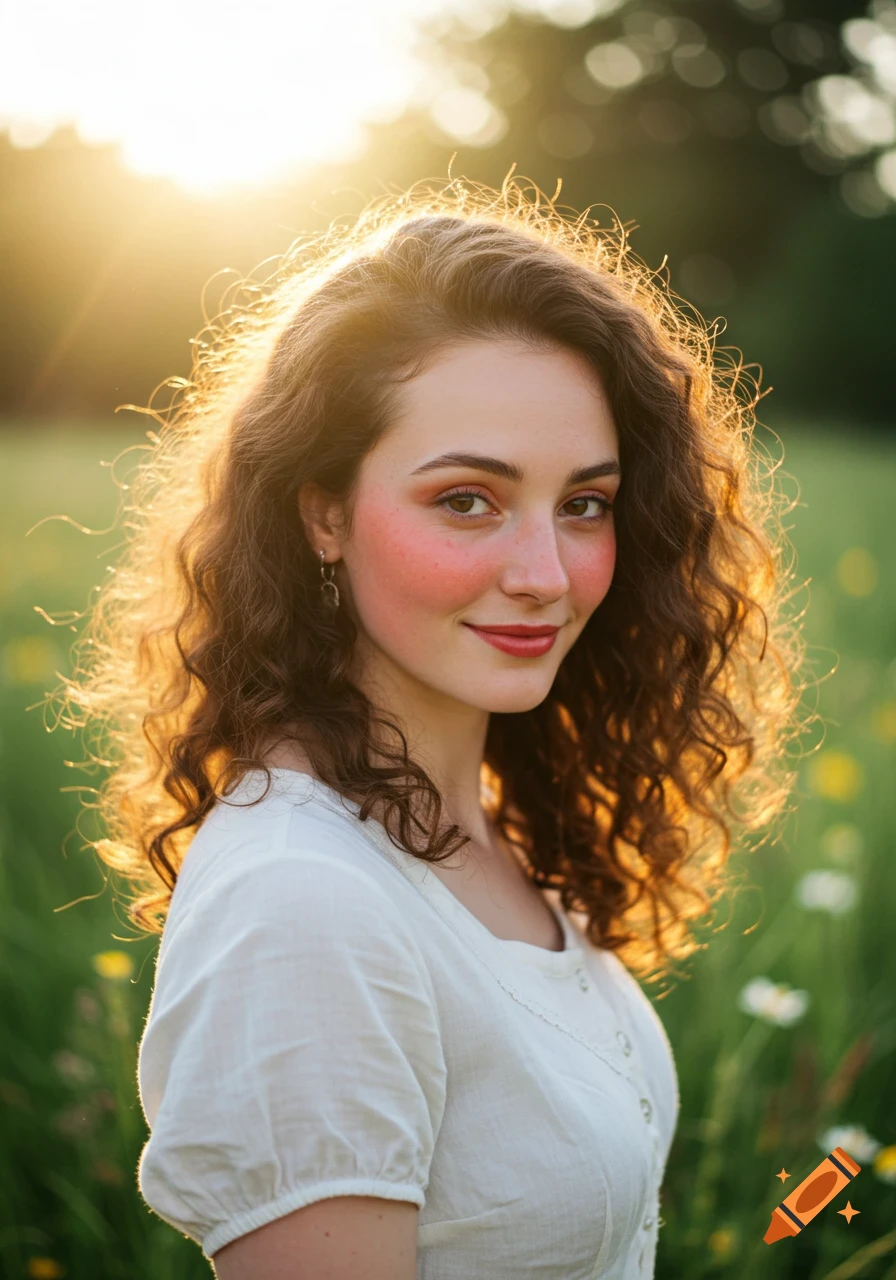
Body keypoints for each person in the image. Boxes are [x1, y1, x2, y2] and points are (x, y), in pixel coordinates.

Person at [60, 180, 807, 1278]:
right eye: (466, 499)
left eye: (584, 503)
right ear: (323, 513)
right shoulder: (302, 899)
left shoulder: (490, 823)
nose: (545, 574)